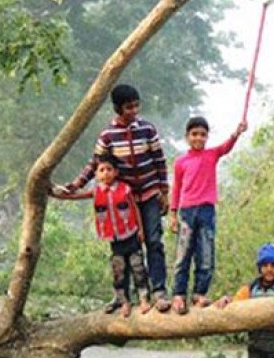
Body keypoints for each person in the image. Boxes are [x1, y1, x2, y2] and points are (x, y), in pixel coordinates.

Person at [54, 84, 172, 312]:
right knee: (124, 248)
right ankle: (124, 297)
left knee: (154, 241)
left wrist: (164, 192)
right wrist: (77, 184)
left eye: (137, 106)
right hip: (124, 200)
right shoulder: (108, 135)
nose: (134, 111)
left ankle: (158, 292)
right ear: (118, 109)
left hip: (149, 193)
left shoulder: (147, 129)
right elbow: (96, 163)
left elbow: (159, 160)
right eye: (129, 107)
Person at [49, 155, 150, 317]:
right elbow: (75, 196)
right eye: (101, 170)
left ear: (116, 172)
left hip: (130, 234)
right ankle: (125, 302)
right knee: (119, 271)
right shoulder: (96, 192)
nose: (105, 173)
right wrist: (56, 194)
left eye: (109, 169)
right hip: (114, 240)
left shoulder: (125, 189)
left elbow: (135, 208)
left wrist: (141, 229)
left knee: (138, 267)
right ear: (96, 174)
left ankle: (144, 298)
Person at [168, 116, 248, 314]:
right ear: (187, 137)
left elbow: (226, 147)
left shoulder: (212, 154)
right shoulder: (181, 162)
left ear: (207, 137)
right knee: (183, 255)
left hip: (206, 210)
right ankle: (178, 295)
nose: (198, 138)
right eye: (194, 134)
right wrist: (172, 214)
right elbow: (177, 188)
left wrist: (236, 133)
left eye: (203, 135)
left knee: (205, 255)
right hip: (187, 211)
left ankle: (199, 294)